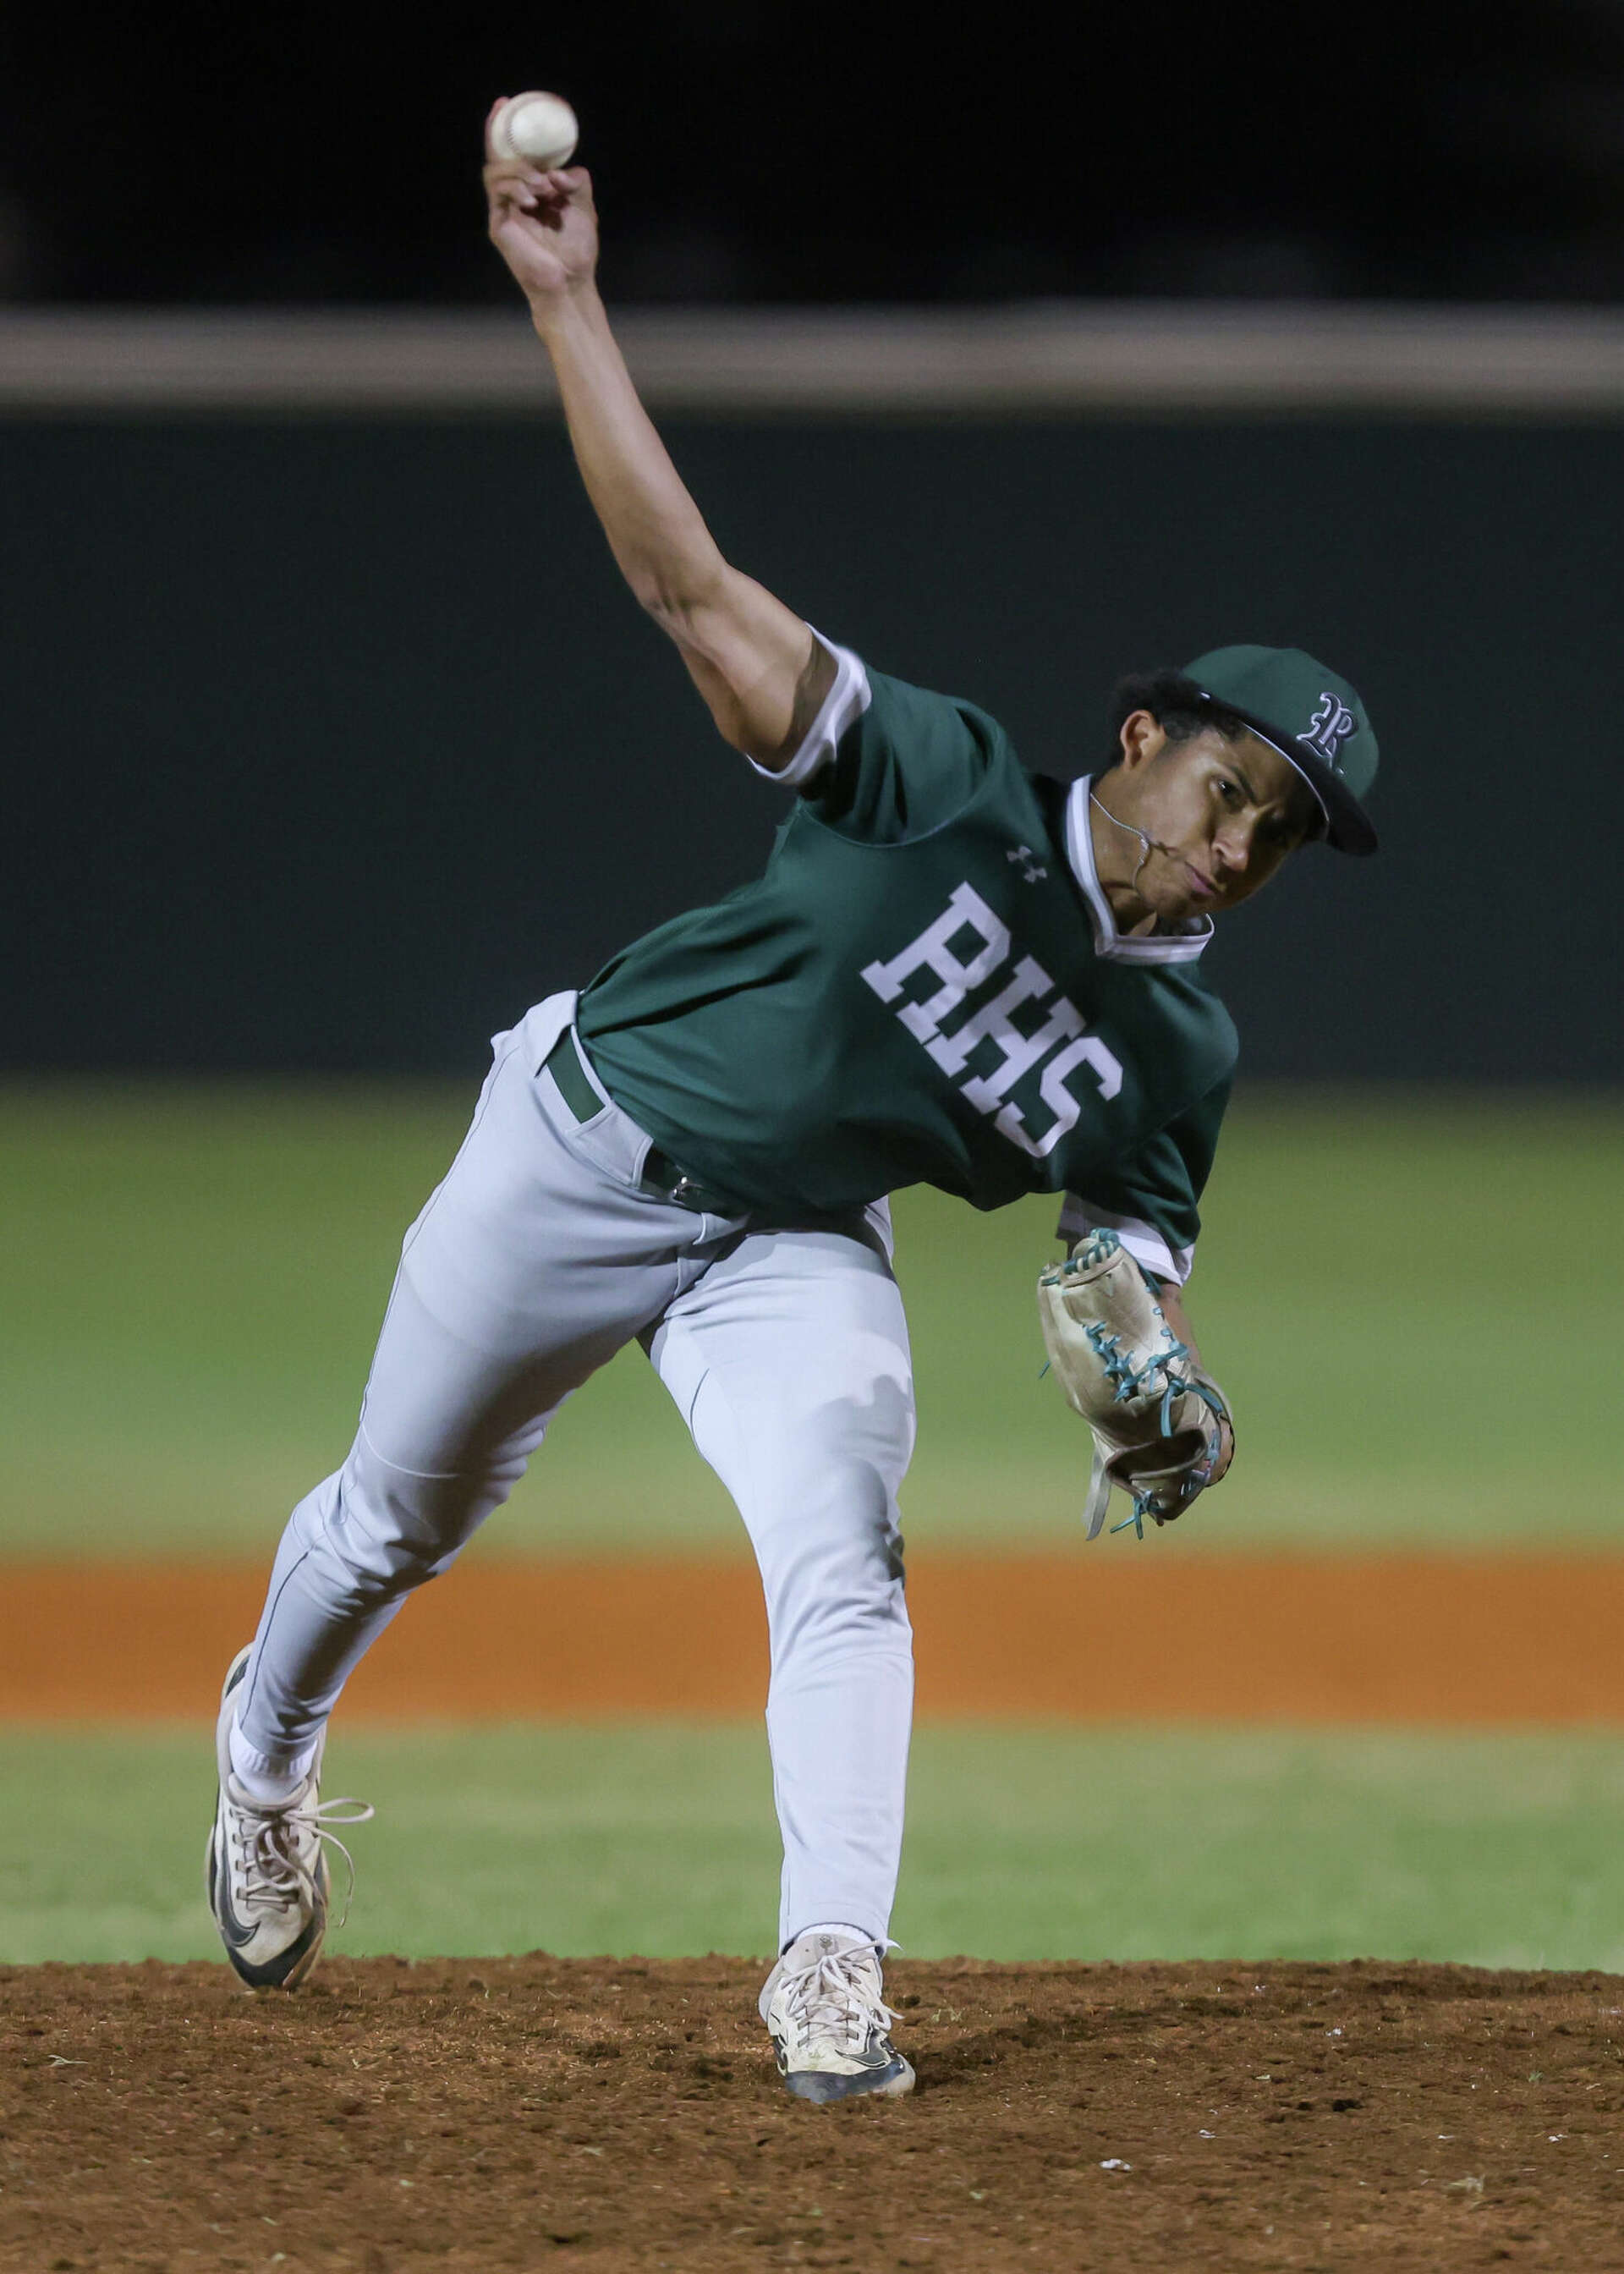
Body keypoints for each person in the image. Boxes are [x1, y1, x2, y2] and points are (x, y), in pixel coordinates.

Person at [206, 102, 1380, 2105]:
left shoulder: (1182, 1057)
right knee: (399, 1519)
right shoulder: (928, 776)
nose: (1239, 844)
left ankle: (831, 1964)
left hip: (793, 1241)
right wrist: (568, 301)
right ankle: (262, 1755)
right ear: (1141, 738)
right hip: (585, 1140)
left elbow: (1124, 1259)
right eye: (1230, 787)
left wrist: (1156, 1379)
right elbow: (685, 588)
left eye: (1281, 835)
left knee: (845, 1539)